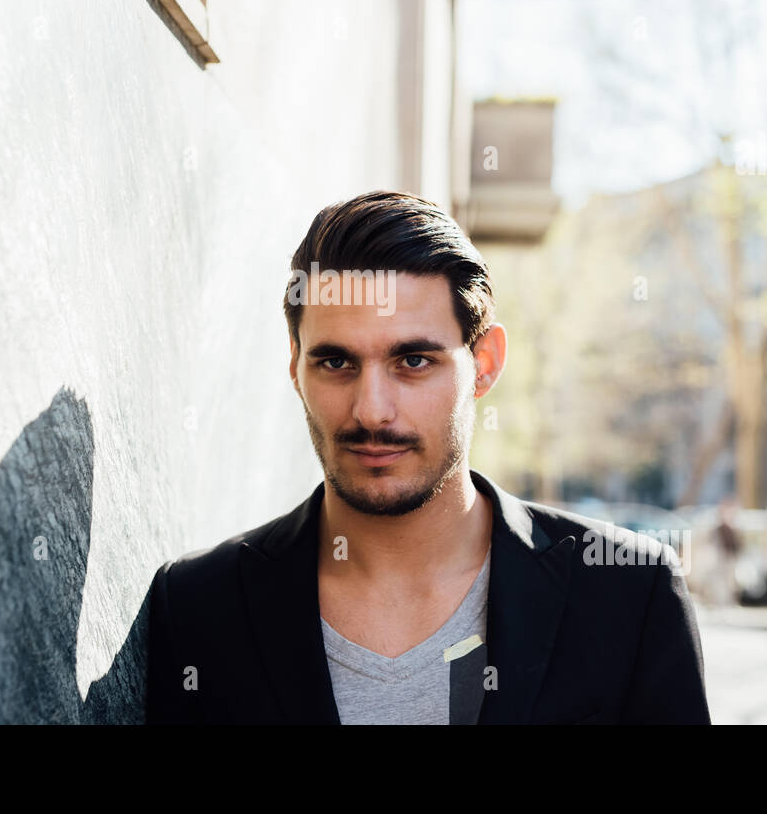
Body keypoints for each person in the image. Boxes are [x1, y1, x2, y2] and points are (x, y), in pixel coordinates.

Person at [144, 191, 710, 724]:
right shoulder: (199, 607)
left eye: (413, 361)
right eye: (336, 363)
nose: (371, 411)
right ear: (295, 367)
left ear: (484, 364)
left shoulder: (629, 595)